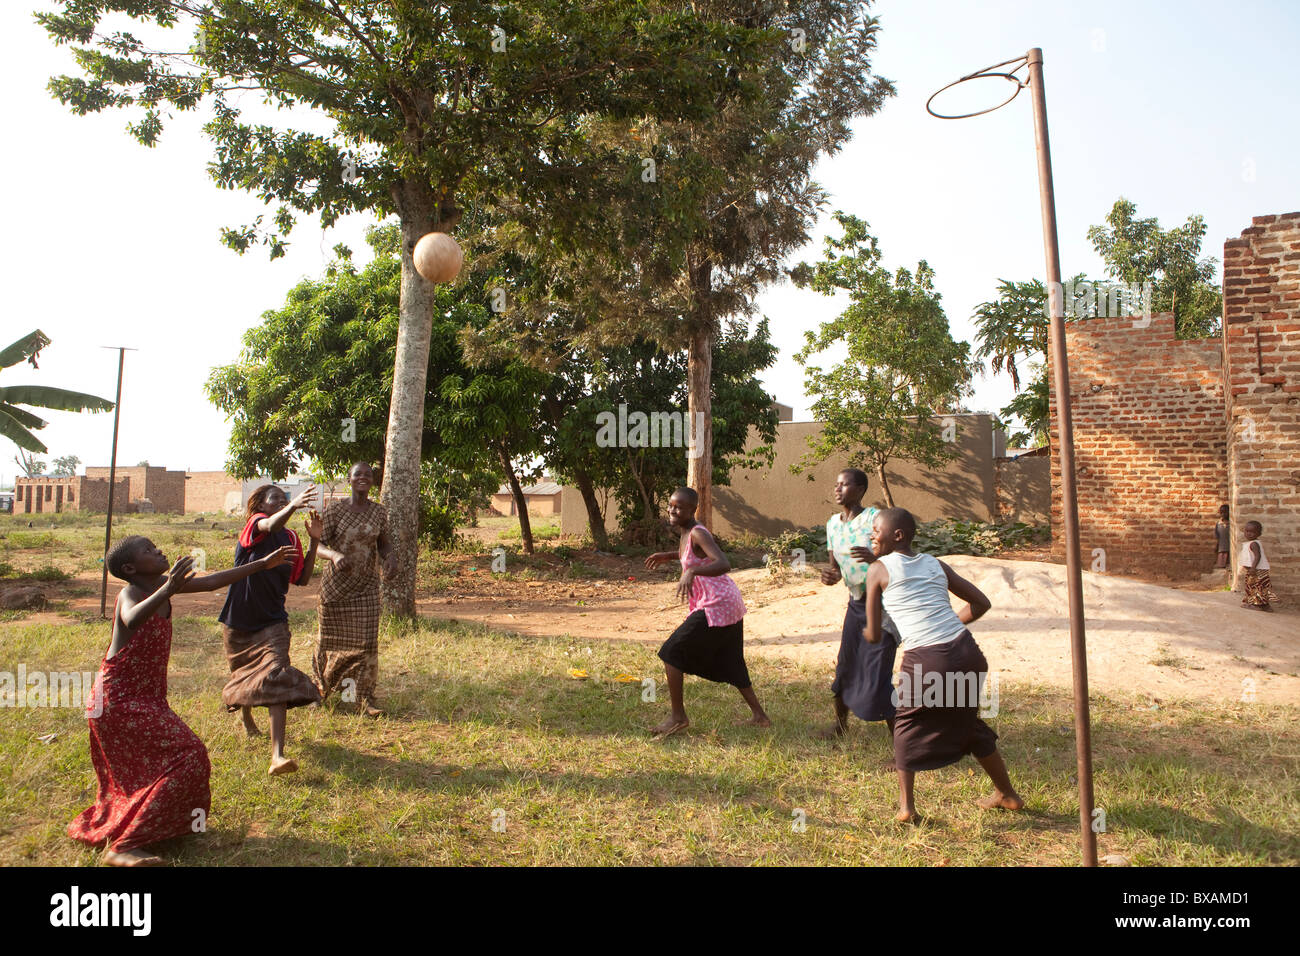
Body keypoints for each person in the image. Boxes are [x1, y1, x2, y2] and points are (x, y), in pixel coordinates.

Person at [68, 536, 294, 866]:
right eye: (148, 550)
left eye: (155, 546)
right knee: (189, 755)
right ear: (130, 568)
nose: (158, 550)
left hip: (146, 698)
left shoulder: (163, 585)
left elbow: (211, 582)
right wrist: (169, 588)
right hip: (117, 701)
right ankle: (123, 848)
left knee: (160, 766)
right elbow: (131, 619)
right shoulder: (131, 593)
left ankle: (155, 827)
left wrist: (262, 563)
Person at [863, 508, 1023, 823]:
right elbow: (981, 604)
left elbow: (872, 633)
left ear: (897, 535)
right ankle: (1007, 794)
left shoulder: (878, 569)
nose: (871, 535)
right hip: (967, 654)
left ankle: (907, 808)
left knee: (904, 722)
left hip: (927, 659)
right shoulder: (936, 563)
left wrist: (870, 632)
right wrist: (950, 622)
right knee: (967, 721)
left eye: (875, 530)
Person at [643, 487, 770, 737]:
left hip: (717, 603)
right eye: (670, 505)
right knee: (732, 660)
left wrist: (692, 572)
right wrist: (669, 556)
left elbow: (723, 563)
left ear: (692, 510)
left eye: (679, 507)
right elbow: (692, 556)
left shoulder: (698, 532)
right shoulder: (685, 532)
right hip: (725, 602)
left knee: (671, 651)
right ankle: (760, 716)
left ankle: (678, 717)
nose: (672, 510)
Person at [219, 483, 323, 775]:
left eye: (285, 498)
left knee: (275, 674)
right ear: (261, 505)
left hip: (273, 620)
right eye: (275, 498)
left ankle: (278, 755)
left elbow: (301, 579)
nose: (281, 501)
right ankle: (247, 717)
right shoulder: (254, 526)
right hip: (238, 617)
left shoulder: (290, 537)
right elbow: (268, 523)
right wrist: (292, 506)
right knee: (243, 674)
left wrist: (314, 541)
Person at [817, 468, 899, 744]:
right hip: (855, 605)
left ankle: (903, 743)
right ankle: (840, 726)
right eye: (836, 484)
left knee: (877, 674)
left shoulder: (874, 519)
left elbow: (899, 551)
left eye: (844, 484)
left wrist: (876, 556)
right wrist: (831, 576)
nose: (837, 489)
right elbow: (835, 569)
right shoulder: (832, 524)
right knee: (846, 667)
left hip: (883, 606)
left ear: (861, 490)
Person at [312, 463, 396, 717]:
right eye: (357, 474)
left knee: (366, 644)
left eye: (367, 475)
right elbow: (317, 545)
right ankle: (319, 691)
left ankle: (363, 698)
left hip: (367, 586)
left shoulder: (379, 512)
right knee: (328, 642)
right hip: (336, 588)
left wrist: (390, 558)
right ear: (349, 480)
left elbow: (384, 544)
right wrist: (335, 555)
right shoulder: (335, 509)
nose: (362, 478)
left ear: (373, 481)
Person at [1240, 520, 1276, 612]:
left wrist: (1253, 567)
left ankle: (1256, 605)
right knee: (1263, 587)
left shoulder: (1254, 544)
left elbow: (1257, 556)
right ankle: (1265, 605)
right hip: (1260, 570)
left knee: (1255, 587)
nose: (1249, 534)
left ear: (1259, 533)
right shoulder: (1252, 543)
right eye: (1247, 531)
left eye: (1252, 532)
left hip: (1256, 570)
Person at [1214, 505, 1231, 570]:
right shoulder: (1218, 524)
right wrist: (1216, 545)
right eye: (1221, 512)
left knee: (1228, 561)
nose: (1223, 514)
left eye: (1225, 512)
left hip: (1229, 546)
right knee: (1221, 561)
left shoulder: (1231, 524)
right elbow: (1217, 536)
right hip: (1221, 546)